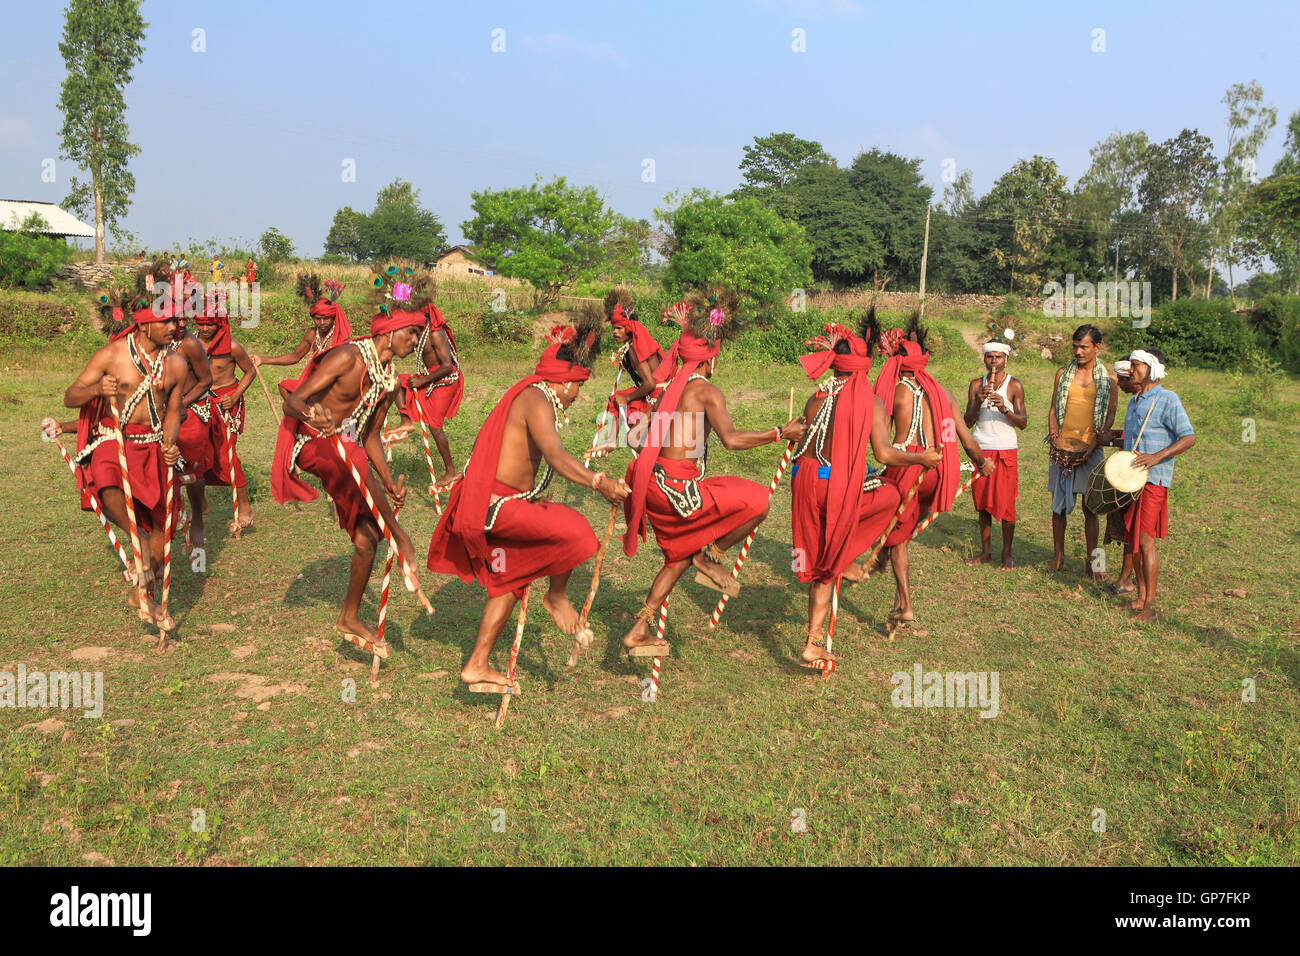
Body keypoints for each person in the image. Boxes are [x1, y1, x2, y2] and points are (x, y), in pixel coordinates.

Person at [427, 309, 628, 692]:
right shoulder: (537, 398)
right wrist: (599, 481)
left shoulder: (535, 397)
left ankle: (477, 665)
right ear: (566, 383)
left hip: (501, 502)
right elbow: (555, 455)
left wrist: (534, 495)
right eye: (579, 388)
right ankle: (556, 597)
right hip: (495, 506)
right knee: (578, 531)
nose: (578, 396)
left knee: (509, 581)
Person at [620, 289, 806, 655]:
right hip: (677, 490)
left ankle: (639, 628)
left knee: (677, 559)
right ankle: (711, 555)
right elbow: (732, 441)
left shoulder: (670, 385)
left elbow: (643, 437)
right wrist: (780, 433)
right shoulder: (706, 391)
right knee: (758, 501)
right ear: (710, 361)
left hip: (654, 485)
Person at [274, 273, 431, 651]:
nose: (415, 341)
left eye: (417, 334)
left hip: (348, 452)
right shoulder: (348, 356)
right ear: (390, 330)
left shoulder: (388, 378)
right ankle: (403, 538)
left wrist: (389, 481)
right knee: (354, 463)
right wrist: (314, 415)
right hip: (314, 444)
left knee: (366, 539)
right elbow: (293, 401)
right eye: (410, 333)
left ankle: (348, 615)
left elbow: (370, 436)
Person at [791, 311, 940, 667]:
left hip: (804, 482)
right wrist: (922, 460)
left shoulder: (817, 395)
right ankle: (843, 561)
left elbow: (805, 438)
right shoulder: (870, 402)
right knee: (888, 495)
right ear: (863, 367)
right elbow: (884, 453)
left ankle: (814, 640)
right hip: (834, 486)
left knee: (818, 567)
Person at [64, 276, 185, 625]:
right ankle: (139, 539)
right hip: (112, 440)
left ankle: (141, 593)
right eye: (167, 321)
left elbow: (175, 410)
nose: (174, 326)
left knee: (166, 530)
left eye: (176, 319)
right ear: (145, 322)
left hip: (154, 448)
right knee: (106, 479)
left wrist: (171, 441)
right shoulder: (112, 356)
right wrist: (96, 390)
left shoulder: (176, 364)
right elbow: (71, 396)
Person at [874, 313, 994, 631]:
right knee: (901, 532)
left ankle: (905, 604)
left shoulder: (895, 391)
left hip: (910, 467)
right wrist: (983, 463)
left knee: (897, 537)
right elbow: (967, 441)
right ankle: (886, 566)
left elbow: (882, 443)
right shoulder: (946, 394)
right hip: (941, 471)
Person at [1118, 348, 1195, 623]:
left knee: (1146, 540)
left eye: (1136, 366)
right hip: (1130, 481)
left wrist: (1156, 458)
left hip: (1154, 480)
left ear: (1151, 368)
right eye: (1131, 366)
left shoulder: (1168, 399)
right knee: (1134, 539)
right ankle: (1139, 597)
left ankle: (1150, 605)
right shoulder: (1135, 400)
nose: (1131, 371)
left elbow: (1188, 437)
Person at [1047, 324, 1117, 579]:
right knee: (1059, 507)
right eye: (1075, 346)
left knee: (1092, 509)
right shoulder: (1062, 374)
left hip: (1092, 449)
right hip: (1063, 449)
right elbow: (1054, 409)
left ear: (1097, 348)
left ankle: (1093, 565)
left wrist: (1093, 446)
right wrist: (1055, 439)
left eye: (1084, 347)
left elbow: (1109, 416)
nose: (1078, 351)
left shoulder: (1110, 379)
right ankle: (1058, 558)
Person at [194, 293, 256, 531]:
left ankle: (245, 508)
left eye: (211, 323)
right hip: (199, 404)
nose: (206, 327)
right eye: (201, 322)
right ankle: (200, 504)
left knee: (226, 455)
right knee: (195, 453)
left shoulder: (231, 345)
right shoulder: (190, 344)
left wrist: (236, 395)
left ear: (220, 323)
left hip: (227, 404)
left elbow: (250, 371)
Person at [963, 341, 1027, 568]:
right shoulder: (975, 385)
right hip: (981, 447)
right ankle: (986, 551)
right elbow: (967, 423)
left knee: (1008, 502)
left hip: (1005, 448)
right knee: (982, 502)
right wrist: (978, 400)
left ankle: (1007, 553)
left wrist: (1004, 408)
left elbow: (1023, 423)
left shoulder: (1014, 385)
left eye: (998, 357)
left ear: (1006, 359)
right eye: (990, 357)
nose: (993, 362)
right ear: (984, 359)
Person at [392, 301, 463, 483]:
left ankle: (451, 472)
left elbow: (448, 366)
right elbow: (403, 350)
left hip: (446, 379)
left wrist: (422, 381)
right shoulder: (418, 332)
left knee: (435, 427)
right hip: (429, 376)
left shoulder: (435, 333)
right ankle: (406, 420)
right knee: (394, 380)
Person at [251, 274, 351, 392]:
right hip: (315, 382)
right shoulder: (312, 334)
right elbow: (295, 357)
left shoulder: (340, 336)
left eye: (326, 318)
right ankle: (307, 410)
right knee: (285, 387)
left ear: (333, 318)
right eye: (318, 319)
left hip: (335, 385)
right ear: (313, 318)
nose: (322, 323)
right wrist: (263, 360)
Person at [603, 288, 665, 446]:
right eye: (613, 329)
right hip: (660, 390)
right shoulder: (635, 343)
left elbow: (650, 383)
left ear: (628, 328)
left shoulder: (634, 349)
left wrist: (627, 398)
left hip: (656, 394)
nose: (615, 332)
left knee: (616, 399)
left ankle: (610, 443)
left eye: (619, 328)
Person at [1098, 359, 1138, 592]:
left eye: (1123, 380)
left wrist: (1112, 440)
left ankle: (1127, 579)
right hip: (1127, 468)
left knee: (1133, 526)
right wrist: (1116, 435)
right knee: (1127, 524)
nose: (1120, 385)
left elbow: (1141, 441)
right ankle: (1126, 577)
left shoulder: (1148, 402)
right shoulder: (1135, 402)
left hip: (1137, 470)